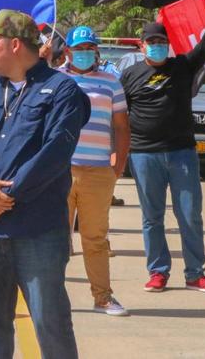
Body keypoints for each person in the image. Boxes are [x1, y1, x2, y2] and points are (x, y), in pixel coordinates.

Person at [0, 9, 90, 359]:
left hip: (37, 231)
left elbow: (54, 153)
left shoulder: (62, 91)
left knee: (50, 323)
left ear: (13, 45)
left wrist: (6, 196)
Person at [119, 0, 205, 293]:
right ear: (141, 46)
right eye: (152, 42)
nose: (157, 47)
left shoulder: (182, 66)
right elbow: (119, 115)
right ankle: (158, 271)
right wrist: (117, 153)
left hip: (182, 153)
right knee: (152, 218)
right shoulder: (129, 75)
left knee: (189, 216)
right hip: (144, 155)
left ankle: (195, 273)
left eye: (162, 42)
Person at [62, 25, 130, 316]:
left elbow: (122, 127)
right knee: (52, 238)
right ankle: (47, 297)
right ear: (67, 51)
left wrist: (119, 166)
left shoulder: (111, 83)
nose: (84, 54)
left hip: (98, 171)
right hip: (59, 172)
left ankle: (102, 297)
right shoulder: (55, 79)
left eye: (89, 49)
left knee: (95, 238)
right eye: (78, 49)